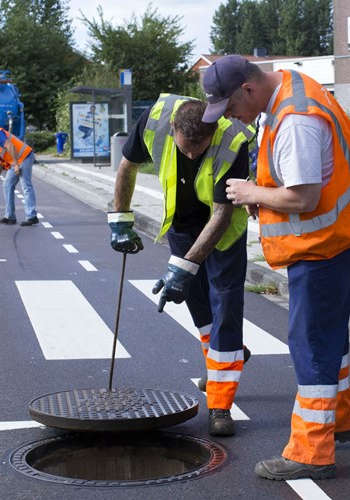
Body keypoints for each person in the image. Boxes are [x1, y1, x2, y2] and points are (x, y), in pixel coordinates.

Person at [202, 55, 350, 480]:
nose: (230, 118)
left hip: (324, 244)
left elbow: (303, 198)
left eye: (229, 108)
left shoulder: (296, 121)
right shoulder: (289, 86)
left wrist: (252, 193)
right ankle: (341, 421)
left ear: (248, 89)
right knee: (328, 333)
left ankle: (311, 453)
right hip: (342, 231)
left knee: (311, 342)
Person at [108, 95, 255, 437]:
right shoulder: (155, 120)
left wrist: (185, 266)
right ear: (172, 128)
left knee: (225, 306)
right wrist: (120, 219)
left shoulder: (233, 140)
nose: (191, 155)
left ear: (213, 133)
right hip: (183, 224)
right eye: (185, 149)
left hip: (223, 231)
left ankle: (220, 405)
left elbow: (221, 214)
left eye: (198, 149)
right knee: (196, 302)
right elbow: (127, 166)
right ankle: (227, 358)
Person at [0, 124, 39, 226]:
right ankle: (10, 216)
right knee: (7, 185)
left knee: (26, 185)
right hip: (15, 162)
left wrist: (17, 165)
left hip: (25, 156)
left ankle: (32, 216)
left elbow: (10, 146)